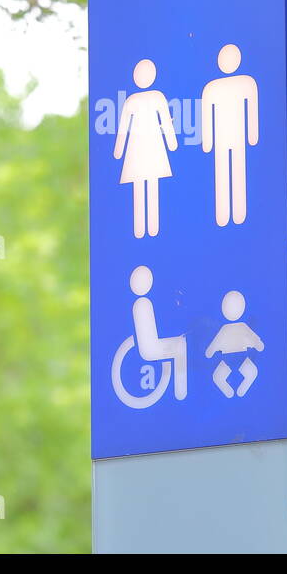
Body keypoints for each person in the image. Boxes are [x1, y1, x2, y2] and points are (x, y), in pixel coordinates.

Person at [113, 58, 178, 238]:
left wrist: (118, 152)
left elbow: (164, 121)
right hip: (143, 147)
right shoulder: (143, 99)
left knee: (147, 183)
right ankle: (144, 229)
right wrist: (172, 144)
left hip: (146, 146)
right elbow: (123, 128)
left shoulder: (148, 98)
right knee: (144, 183)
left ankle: (149, 229)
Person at [201, 44, 259, 227]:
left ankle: (238, 214)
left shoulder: (247, 83)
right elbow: (206, 116)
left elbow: (251, 110)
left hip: (235, 136)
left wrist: (252, 135)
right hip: (223, 138)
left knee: (236, 169)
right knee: (223, 172)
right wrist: (207, 141)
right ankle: (223, 215)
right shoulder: (211, 88)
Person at [130, 265, 186, 400]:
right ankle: (181, 392)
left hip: (150, 347)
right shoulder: (143, 304)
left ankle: (181, 391)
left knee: (180, 343)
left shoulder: (141, 303)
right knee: (181, 344)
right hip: (150, 350)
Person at [205, 290, 263, 398]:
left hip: (235, 359)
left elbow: (211, 349)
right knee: (220, 377)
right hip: (235, 359)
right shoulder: (234, 328)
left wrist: (211, 352)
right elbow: (258, 345)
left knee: (220, 376)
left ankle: (234, 393)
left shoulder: (230, 329)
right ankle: (233, 394)